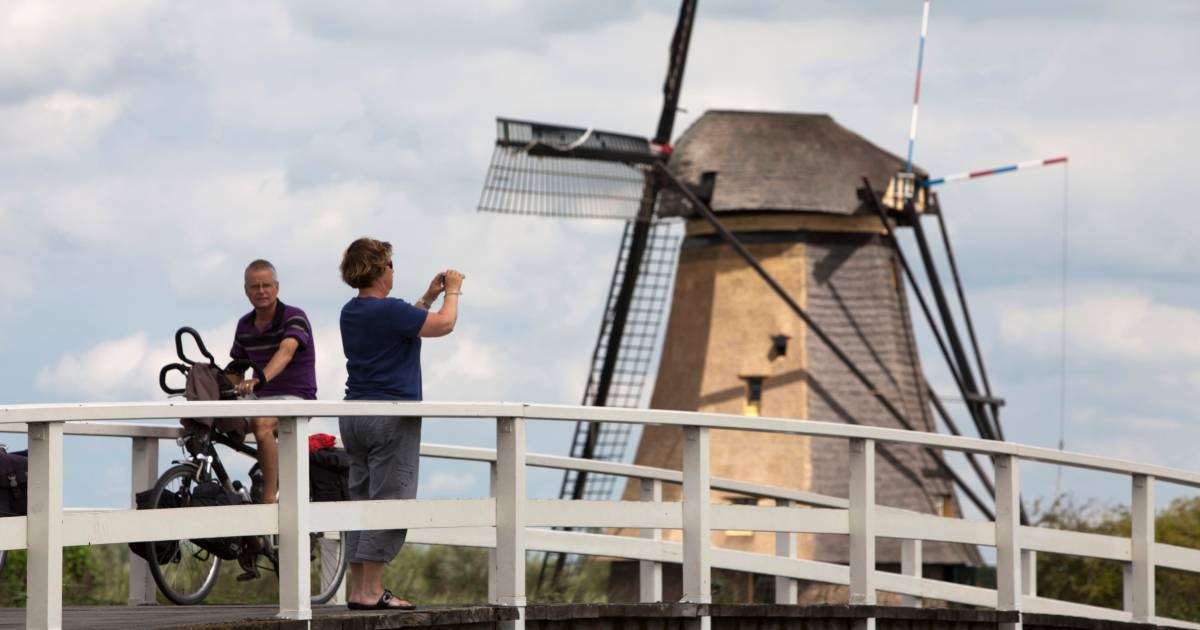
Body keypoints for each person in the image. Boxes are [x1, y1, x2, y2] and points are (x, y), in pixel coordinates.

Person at [337, 237, 463, 610]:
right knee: (391, 498)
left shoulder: (352, 311)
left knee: (360, 499)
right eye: (391, 264)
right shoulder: (390, 311)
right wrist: (452, 292)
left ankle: (359, 588)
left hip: (355, 415)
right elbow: (444, 325)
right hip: (391, 415)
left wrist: (427, 295)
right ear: (380, 270)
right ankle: (373, 590)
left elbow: (405, 324)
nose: (394, 270)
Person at [229, 259, 318, 509]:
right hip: (259, 397)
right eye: (254, 286)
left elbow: (286, 352)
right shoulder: (244, 325)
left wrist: (260, 379)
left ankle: (268, 499)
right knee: (214, 420)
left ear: (277, 287)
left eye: (266, 285)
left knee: (262, 423)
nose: (261, 291)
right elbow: (236, 367)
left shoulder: (294, 317)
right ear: (246, 291)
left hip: (295, 397)